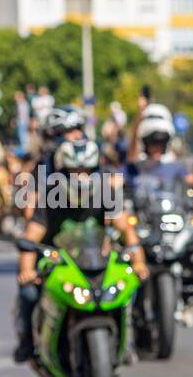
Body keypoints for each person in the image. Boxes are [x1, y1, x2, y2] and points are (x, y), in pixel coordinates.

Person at [14, 137, 148, 363]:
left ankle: (126, 340)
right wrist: (27, 271)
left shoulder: (105, 192)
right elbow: (31, 236)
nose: (81, 176)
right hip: (58, 263)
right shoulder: (49, 196)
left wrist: (138, 263)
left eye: (87, 170)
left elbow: (126, 229)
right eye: (75, 171)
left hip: (97, 261)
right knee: (28, 293)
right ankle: (28, 343)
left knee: (131, 285)